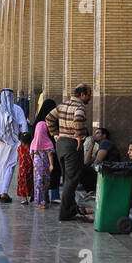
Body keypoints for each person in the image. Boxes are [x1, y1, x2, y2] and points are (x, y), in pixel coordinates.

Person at [45, 84, 92, 222]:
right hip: (72, 145)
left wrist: (55, 134)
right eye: (89, 94)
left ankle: (71, 208)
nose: (89, 97)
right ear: (82, 94)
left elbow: (49, 118)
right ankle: (65, 213)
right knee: (71, 180)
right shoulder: (79, 107)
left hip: (61, 144)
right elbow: (78, 118)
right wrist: (78, 135)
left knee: (67, 179)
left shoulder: (62, 105)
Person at [0, 88, 27, 203]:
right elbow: (23, 125)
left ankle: (1, 191)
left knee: (6, 166)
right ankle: (1, 191)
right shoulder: (15, 109)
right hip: (2, 143)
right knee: (5, 166)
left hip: (10, 144)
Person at [31, 118, 55, 210]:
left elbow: (31, 155)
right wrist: (51, 165)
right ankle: (43, 201)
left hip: (37, 168)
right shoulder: (47, 141)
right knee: (45, 183)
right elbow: (50, 155)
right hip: (45, 167)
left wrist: (34, 163)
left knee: (38, 183)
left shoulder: (34, 142)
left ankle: (40, 201)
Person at [16, 130, 34, 205]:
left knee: (22, 183)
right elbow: (32, 158)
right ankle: (32, 194)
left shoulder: (19, 148)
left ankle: (25, 199)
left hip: (22, 169)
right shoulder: (31, 148)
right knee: (31, 182)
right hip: (30, 168)